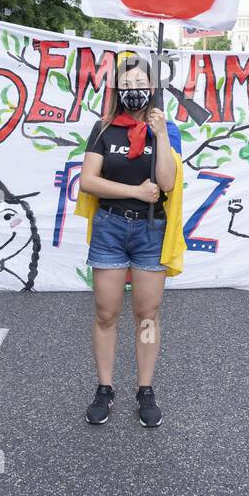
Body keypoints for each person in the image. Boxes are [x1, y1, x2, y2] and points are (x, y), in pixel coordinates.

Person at [75, 53, 184, 428]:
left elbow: (167, 182)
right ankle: (104, 388)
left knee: (147, 316)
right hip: (110, 227)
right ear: (117, 89)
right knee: (106, 313)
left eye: (141, 85)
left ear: (152, 89)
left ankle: (145, 390)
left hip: (151, 232)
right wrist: (135, 192)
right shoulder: (104, 128)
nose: (134, 91)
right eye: (128, 85)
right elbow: (88, 180)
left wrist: (161, 135)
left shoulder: (166, 129)